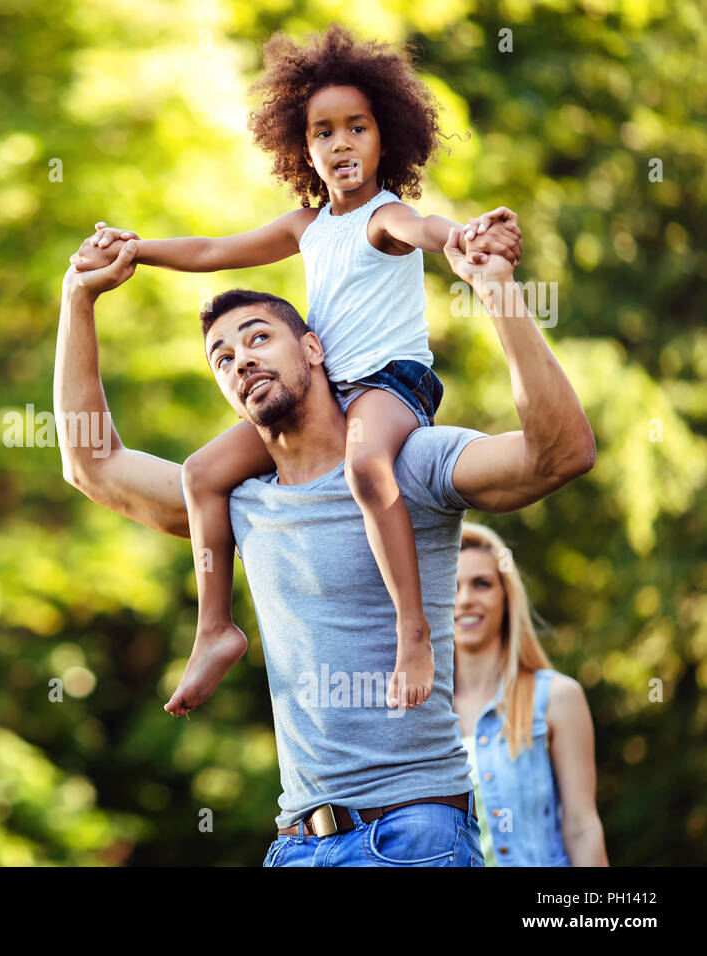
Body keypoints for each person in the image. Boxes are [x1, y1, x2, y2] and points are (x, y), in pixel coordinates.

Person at [54, 222, 595, 865]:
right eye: (223, 358)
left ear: (313, 349)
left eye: (259, 338)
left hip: (412, 834)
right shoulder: (238, 506)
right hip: (296, 844)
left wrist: (499, 294)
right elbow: (91, 464)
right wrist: (77, 298)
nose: (242, 359)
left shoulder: (410, 462)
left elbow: (560, 454)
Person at [72, 23, 522, 718]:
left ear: (385, 138)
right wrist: (138, 249)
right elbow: (214, 249)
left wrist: (463, 240)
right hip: (333, 388)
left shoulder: (384, 215)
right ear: (301, 148)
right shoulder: (305, 227)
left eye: (357, 128)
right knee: (201, 474)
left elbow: (428, 231)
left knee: (367, 467)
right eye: (323, 133)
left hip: (393, 383)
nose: (341, 144)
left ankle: (414, 633)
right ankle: (216, 629)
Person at [454, 522, 610, 865]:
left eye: (482, 584)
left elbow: (582, 827)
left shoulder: (557, 697)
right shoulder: (421, 715)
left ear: (506, 597)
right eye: (451, 585)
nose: (465, 599)